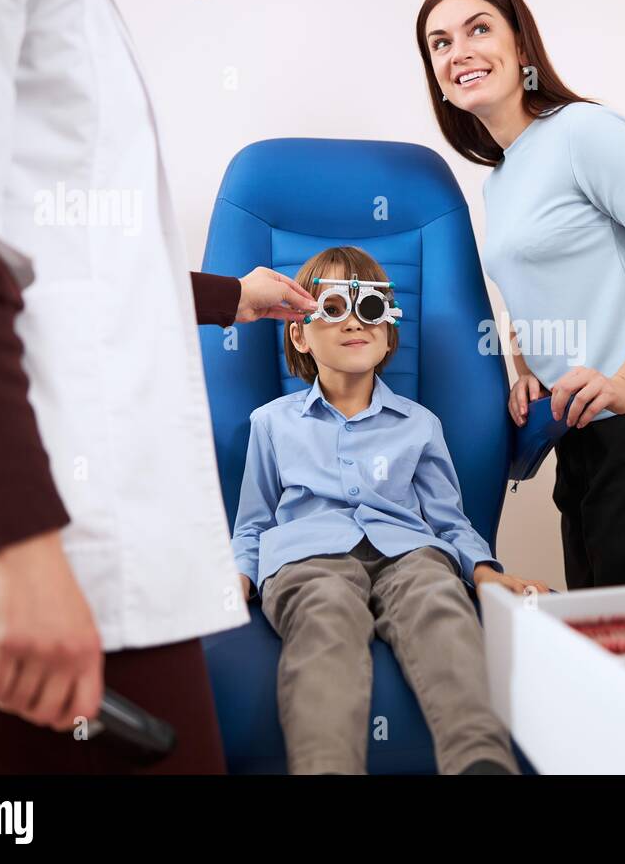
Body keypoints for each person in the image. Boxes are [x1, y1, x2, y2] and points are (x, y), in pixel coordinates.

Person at [0, 0, 317, 772]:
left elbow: (61, 243)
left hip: (95, 536)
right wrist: (20, 545)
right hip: (49, 541)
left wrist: (233, 297)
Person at [416, 0, 625, 590]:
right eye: (441, 43)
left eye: (479, 29)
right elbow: (539, 289)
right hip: (575, 433)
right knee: (601, 646)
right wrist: (525, 367)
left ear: (522, 49)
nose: (460, 51)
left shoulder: (585, 131)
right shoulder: (498, 182)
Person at [233, 246, 549, 775]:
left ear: (387, 330)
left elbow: (449, 521)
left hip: (409, 553)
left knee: (439, 604)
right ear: (299, 332)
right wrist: (238, 576)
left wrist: (484, 570)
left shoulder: (420, 424)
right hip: (307, 559)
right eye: (333, 308)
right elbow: (254, 523)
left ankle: (480, 763)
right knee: (325, 616)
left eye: (371, 309)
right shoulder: (271, 424)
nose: (354, 321)